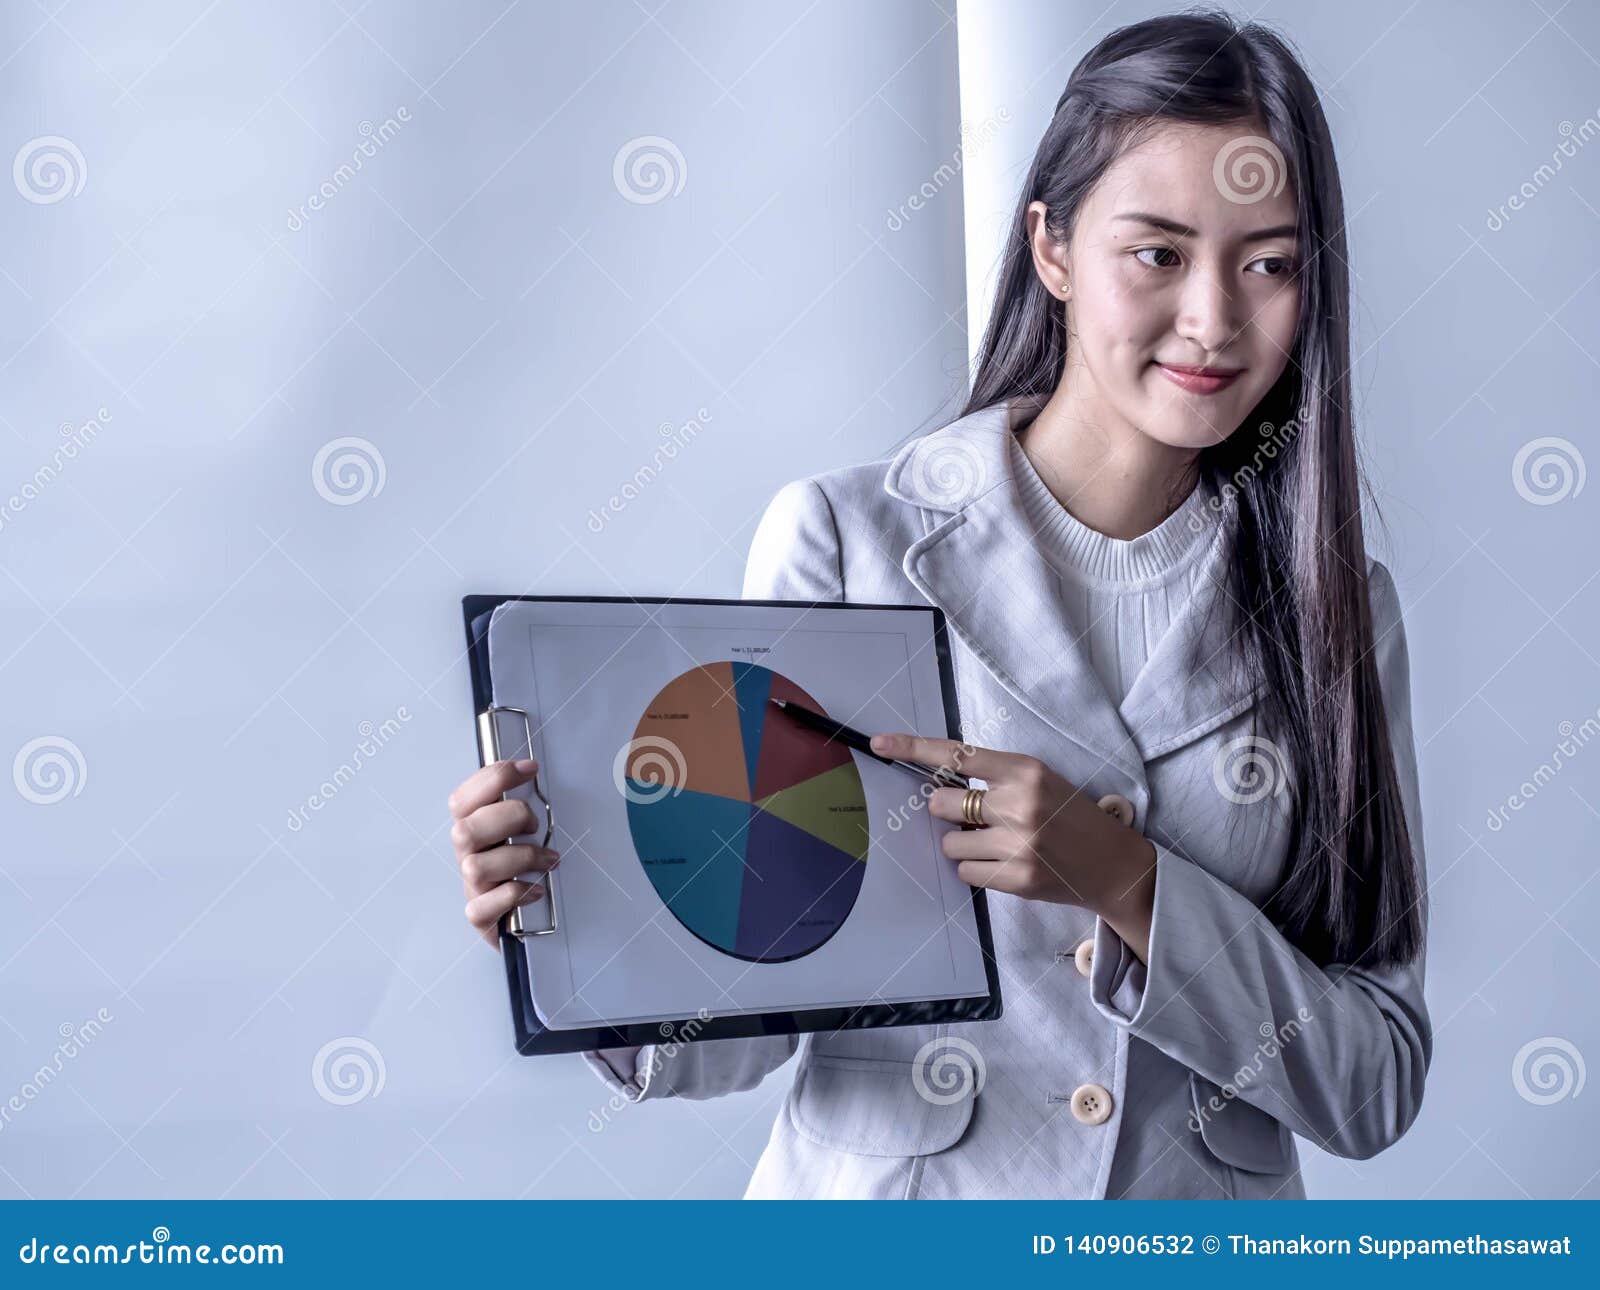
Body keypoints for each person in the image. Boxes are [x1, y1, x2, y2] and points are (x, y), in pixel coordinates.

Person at [446, 8, 1430, 1199]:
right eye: (1158, 254)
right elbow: (750, 1005)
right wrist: (581, 933)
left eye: (1266, 263)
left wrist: (1123, 879)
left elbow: (1373, 1078)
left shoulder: (1334, 609)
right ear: (1054, 250)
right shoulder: (851, 541)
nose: (1213, 319)